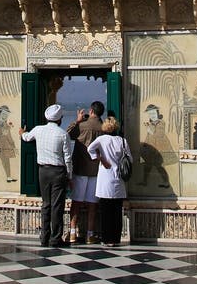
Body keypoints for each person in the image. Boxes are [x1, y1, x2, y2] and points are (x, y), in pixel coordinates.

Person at [19, 104, 73, 248]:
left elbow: (26, 137)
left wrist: (21, 132)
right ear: (60, 119)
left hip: (43, 171)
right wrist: (69, 176)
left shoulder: (38, 130)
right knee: (57, 205)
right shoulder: (63, 134)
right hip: (58, 172)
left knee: (46, 204)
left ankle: (44, 236)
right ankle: (55, 238)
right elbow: (67, 157)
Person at [87, 116, 131, 246]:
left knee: (106, 211)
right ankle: (115, 238)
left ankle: (106, 239)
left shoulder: (101, 139)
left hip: (105, 178)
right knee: (117, 211)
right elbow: (130, 159)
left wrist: (100, 158)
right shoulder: (122, 141)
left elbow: (89, 149)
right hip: (118, 179)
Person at [66, 100, 104, 244]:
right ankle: (90, 234)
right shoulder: (103, 127)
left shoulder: (82, 125)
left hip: (80, 169)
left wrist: (77, 120)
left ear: (91, 111)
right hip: (96, 171)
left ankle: (72, 233)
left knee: (76, 203)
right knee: (92, 204)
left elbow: (67, 134)